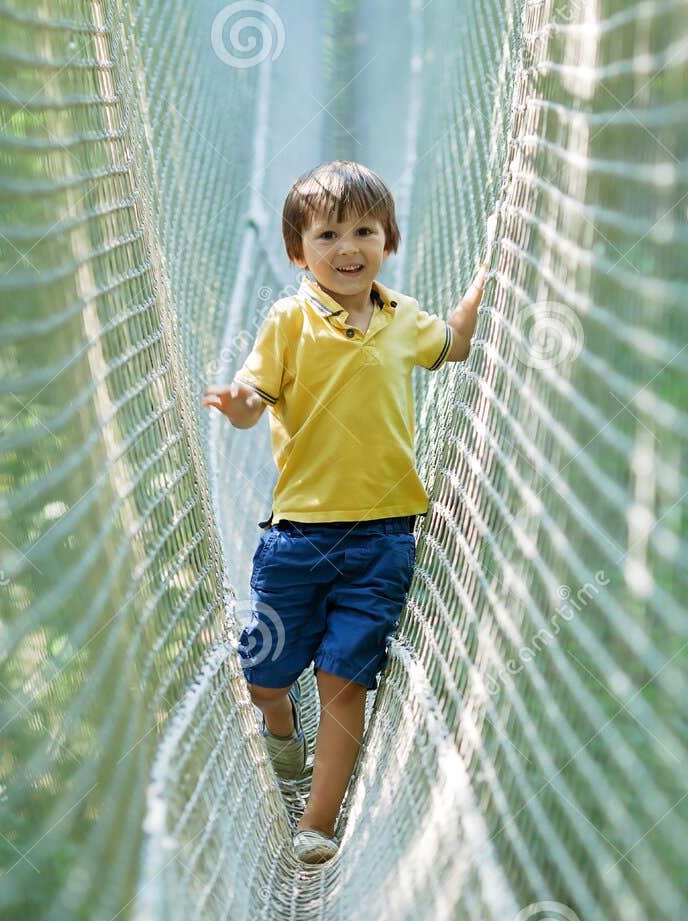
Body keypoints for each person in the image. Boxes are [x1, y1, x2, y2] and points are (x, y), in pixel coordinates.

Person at [202, 159, 487, 865]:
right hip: (296, 539)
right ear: (299, 253)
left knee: (344, 677)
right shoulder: (289, 320)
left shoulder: (402, 319)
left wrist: (489, 280)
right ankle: (278, 727)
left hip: (384, 538)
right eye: (327, 234)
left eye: (364, 230)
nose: (348, 247)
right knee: (265, 677)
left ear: (387, 241)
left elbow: (454, 346)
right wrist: (238, 406)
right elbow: (249, 402)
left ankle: (316, 823)